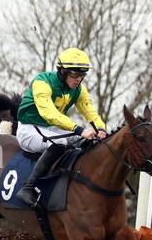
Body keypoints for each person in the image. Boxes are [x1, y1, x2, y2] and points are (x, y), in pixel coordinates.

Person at [14, 48, 107, 207]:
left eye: (82, 75)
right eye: (74, 75)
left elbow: (89, 110)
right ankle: (27, 188)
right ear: (62, 71)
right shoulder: (42, 82)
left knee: (85, 140)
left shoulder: (78, 90)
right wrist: (79, 129)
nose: (78, 79)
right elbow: (49, 114)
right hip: (29, 127)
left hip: (51, 128)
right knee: (60, 143)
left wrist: (101, 128)